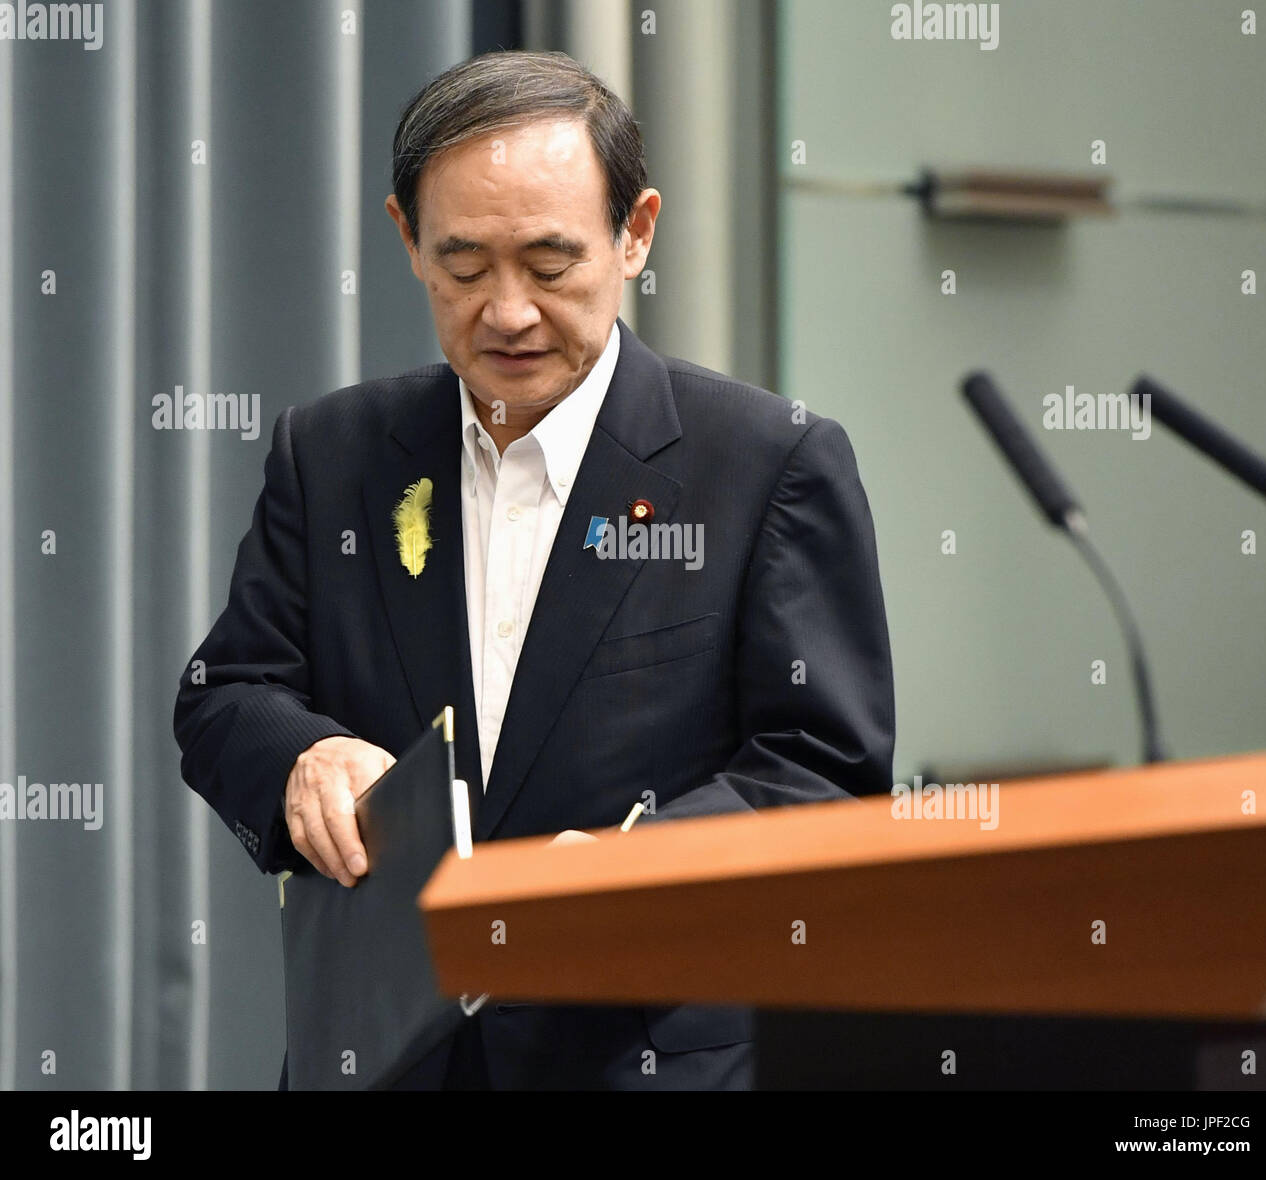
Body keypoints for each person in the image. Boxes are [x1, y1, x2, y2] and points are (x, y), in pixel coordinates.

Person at [173, 49, 894, 1091]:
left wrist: (628, 872)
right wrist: (302, 757)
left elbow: (824, 776)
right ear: (405, 239)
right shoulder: (331, 454)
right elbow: (225, 692)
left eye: (550, 265)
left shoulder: (766, 465)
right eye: (463, 267)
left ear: (635, 232)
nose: (506, 311)